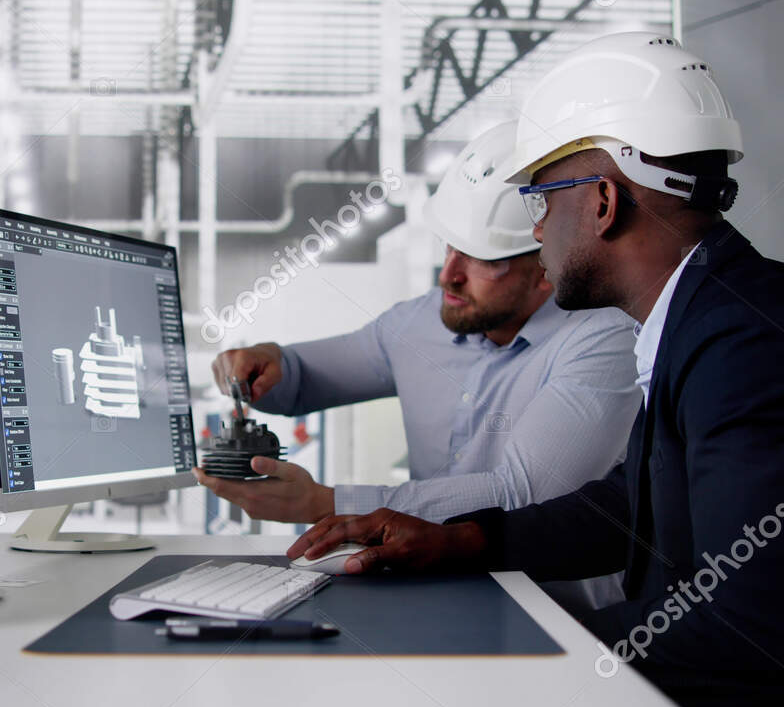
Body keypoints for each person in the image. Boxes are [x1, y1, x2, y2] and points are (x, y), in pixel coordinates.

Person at [286, 33, 784, 707]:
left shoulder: (750, 339)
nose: (535, 230)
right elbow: (634, 509)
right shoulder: (707, 316)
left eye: (538, 199)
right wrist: (460, 540)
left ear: (601, 201)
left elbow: (749, 622)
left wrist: (524, 655)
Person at [195, 121, 640, 549]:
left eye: (482, 260)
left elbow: (522, 495)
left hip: (556, 612)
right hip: (438, 586)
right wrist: (267, 360)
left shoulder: (604, 339)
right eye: (449, 246)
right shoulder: (422, 322)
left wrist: (328, 504)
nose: (449, 276)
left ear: (548, 265)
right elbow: (300, 377)